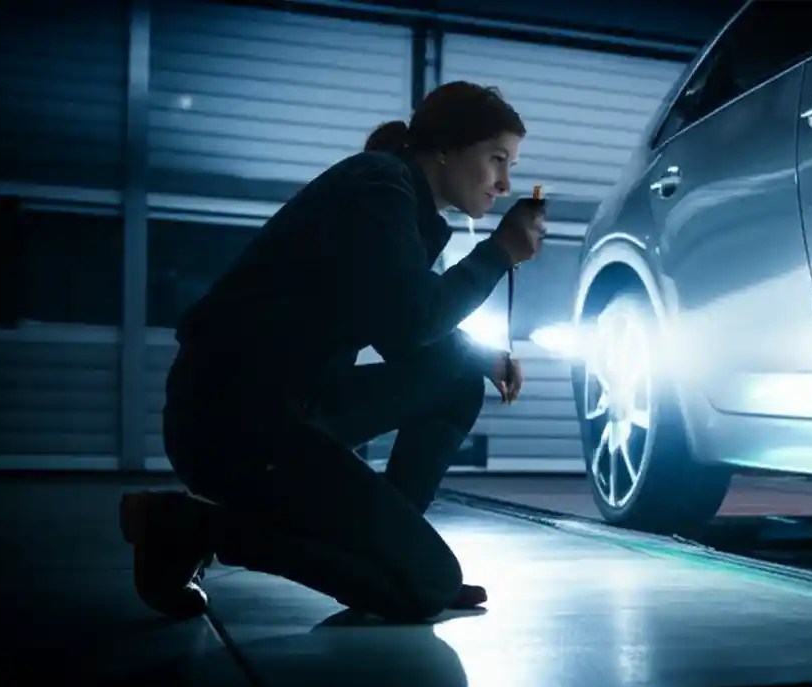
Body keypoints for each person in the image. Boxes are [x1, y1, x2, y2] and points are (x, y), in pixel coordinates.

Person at [118, 81, 546, 623]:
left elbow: (399, 325)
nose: (505, 184)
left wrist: (480, 357)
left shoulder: (399, 200)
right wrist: (499, 252)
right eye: (497, 160)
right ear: (446, 147)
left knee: (457, 377)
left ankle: (394, 553)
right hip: (231, 425)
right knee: (425, 587)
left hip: (289, 406)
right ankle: (190, 528)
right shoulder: (378, 187)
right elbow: (409, 323)